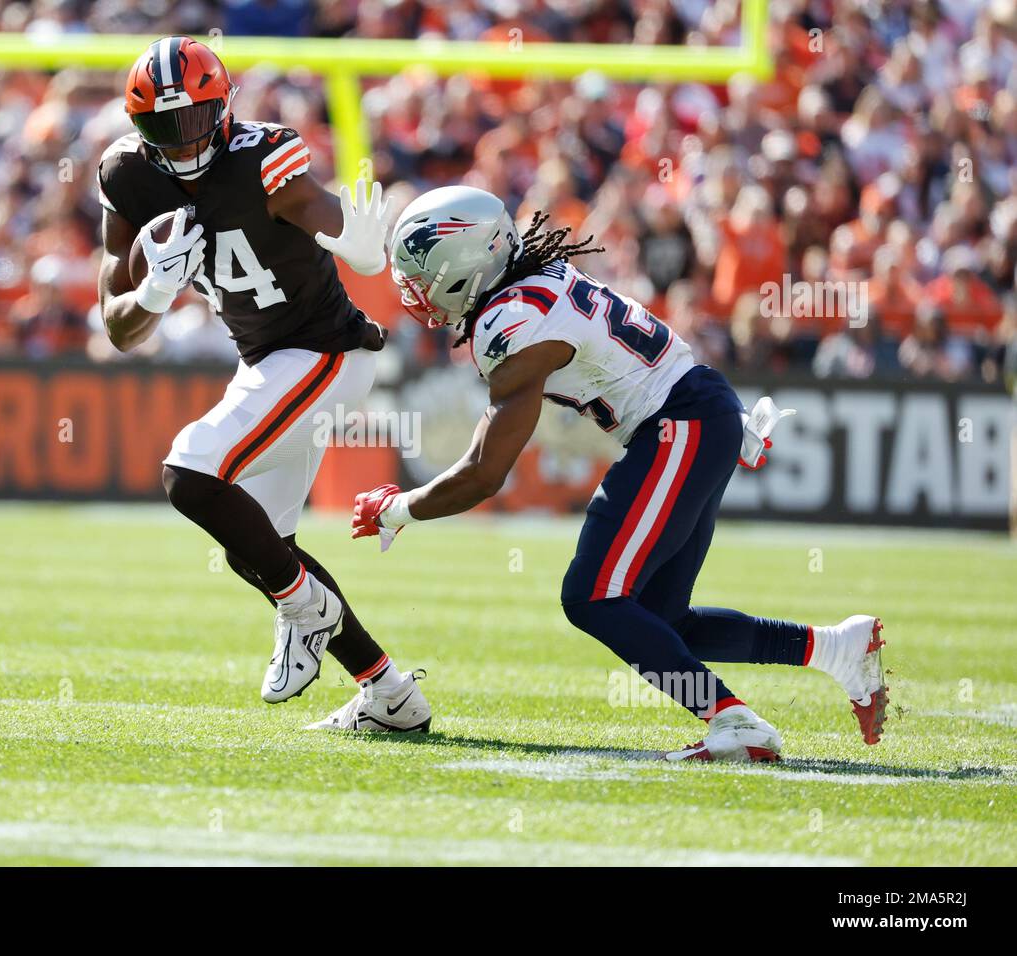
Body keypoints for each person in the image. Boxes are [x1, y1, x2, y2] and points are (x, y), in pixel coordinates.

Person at [350, 185, 888, 761]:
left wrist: (398, 509)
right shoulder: (534, 280)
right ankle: (836, 648)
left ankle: (733, 720)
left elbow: (486, 472)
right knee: (659, 618)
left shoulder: (509, 323)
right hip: (695, 412)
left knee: (592, 596)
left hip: (679, 424)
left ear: (463, 263)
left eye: (420, 272)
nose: (413, 288)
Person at [97, 36, 429, 732]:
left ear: (222, 111)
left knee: (189, 472)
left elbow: (331, 220)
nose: (183, 142)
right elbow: (118, 327)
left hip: (327, 352)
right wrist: (154, 292)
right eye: (165, 127)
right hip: (269, 362)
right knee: (256, 546)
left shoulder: (264, 155)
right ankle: (390, 694)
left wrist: (363, 245)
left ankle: (304, 606)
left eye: (195, 121)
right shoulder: (126, 175)